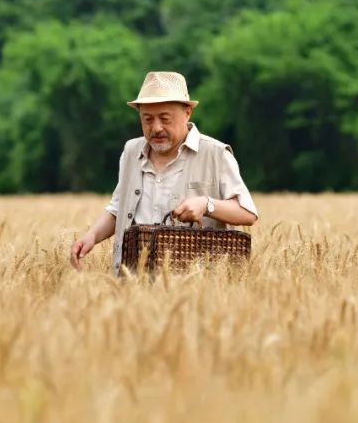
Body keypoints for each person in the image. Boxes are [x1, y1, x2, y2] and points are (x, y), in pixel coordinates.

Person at [70, 71, 259, 273]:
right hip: (133, 280)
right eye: (148, 119)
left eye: (165, 118)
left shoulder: (216, 154)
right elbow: (119, 208)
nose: (156, 128)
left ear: (187, 112)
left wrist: (207, 205)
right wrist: (92, 236)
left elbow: (248, 213)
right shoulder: (131, 152)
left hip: (196, 283)